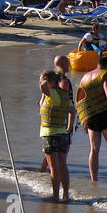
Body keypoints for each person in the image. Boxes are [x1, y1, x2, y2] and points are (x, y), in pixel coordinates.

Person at [76, 55, 107, 183]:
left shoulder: (85, 77)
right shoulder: (105, 74)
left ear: (97, 64)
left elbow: (79, 99)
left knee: (94, 150)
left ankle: (94, 180)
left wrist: (83, 119)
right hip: (104, 114)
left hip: (90, 116)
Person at [38, 68, 75, 201]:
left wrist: (44, 82)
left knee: (54, 167)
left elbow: (42, 87)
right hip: (62, 133)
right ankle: (65, 194)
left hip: (50, 134)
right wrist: (69, 127)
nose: (40, 82)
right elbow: (72, 110)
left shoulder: (51, 93)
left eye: (42, 79)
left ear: (51, 81)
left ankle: (55, 196)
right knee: (62, 165)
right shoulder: (64, 94)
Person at [39, 55, 74, 171]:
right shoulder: (63, 82)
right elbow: (65, 103)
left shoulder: (51, 80)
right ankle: (53, 178)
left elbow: (41, 103)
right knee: (61, 159)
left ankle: (42, 173)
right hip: (61, 121)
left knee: (50, 152)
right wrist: (69, 125)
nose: (69, 64)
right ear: (63, 65)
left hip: (50, 123)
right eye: (67, 62)